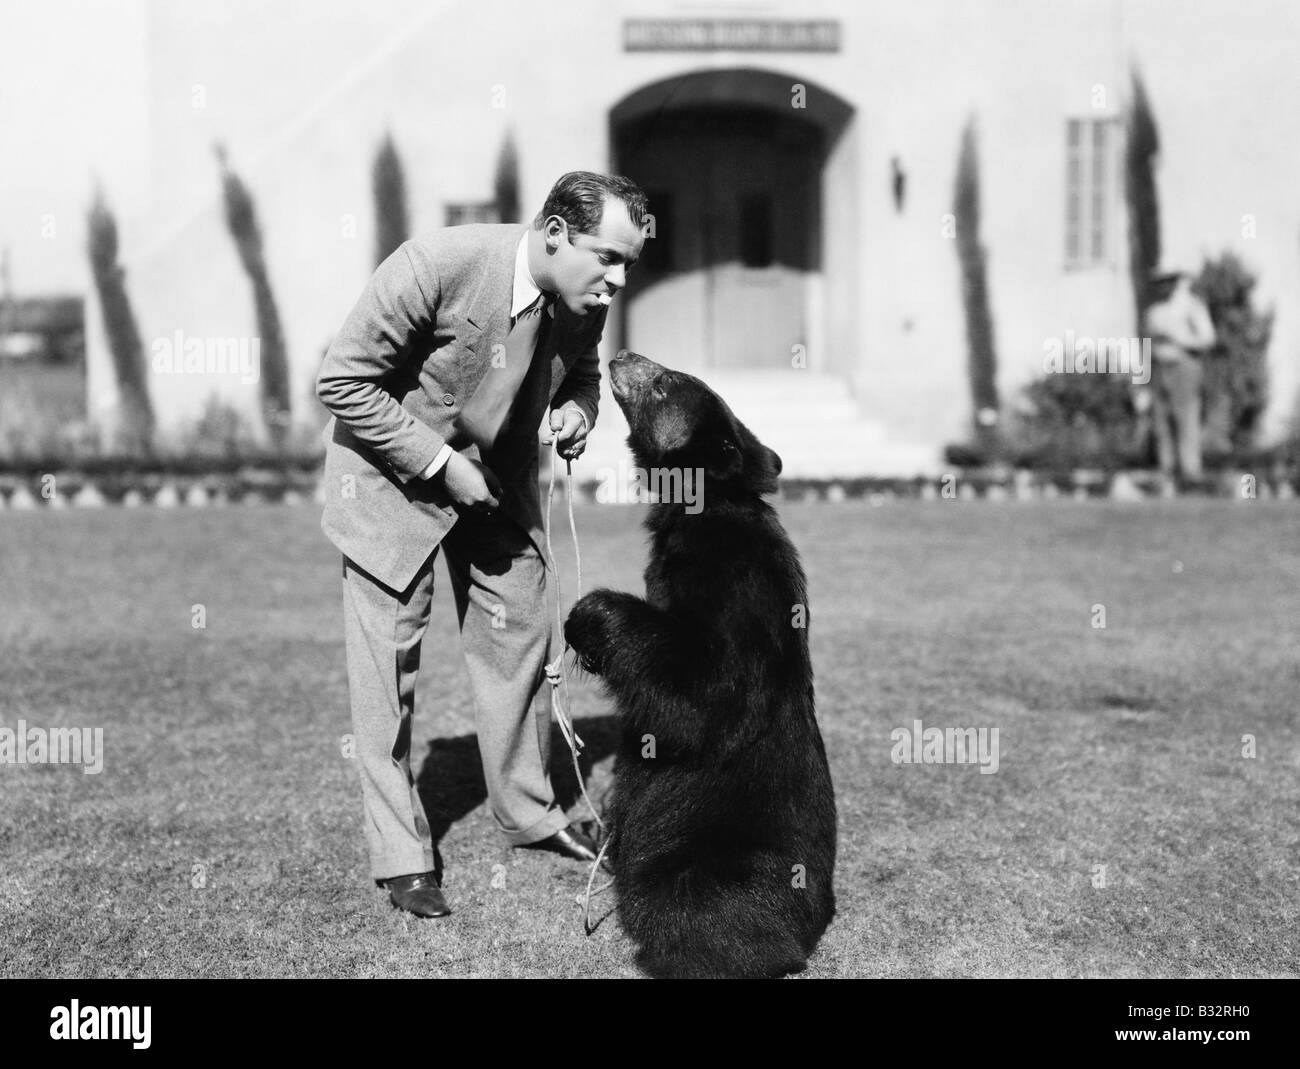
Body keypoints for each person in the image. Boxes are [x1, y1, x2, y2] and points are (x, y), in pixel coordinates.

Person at [316, 171, 648, 918]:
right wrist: (439, 463)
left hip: (495, 488)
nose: (618, 280)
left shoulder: (581, 295)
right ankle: (402, 858)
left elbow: (584, 374)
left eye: (630, 263)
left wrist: (575, 411)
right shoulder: (435, 264)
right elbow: (341, 380)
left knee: (523, 635)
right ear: (556, 233)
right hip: (388, 485)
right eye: (608, 257)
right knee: (386, 677)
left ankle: (531, 811)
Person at [1145, 266, 1217, 487]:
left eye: (1168, 280)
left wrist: (1179, 338)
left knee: (1186, 417)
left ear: (1175, 282)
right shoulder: (1154, 311)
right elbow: (1147, 344)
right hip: (1159, 367)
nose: (1163, 286)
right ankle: (1166, 470)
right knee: (1161, 421)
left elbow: (1208, 338)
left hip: (1184, 364)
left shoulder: (1191, 306)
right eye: (1160, 281)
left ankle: (1190, 472)